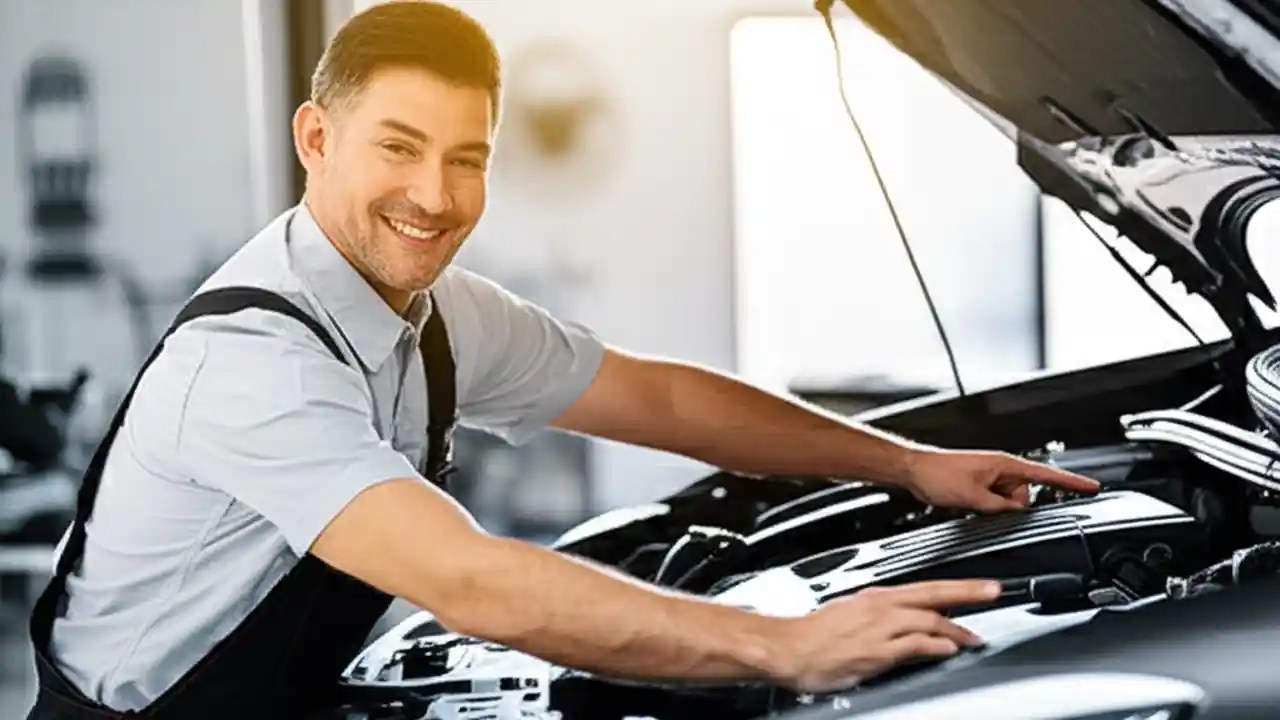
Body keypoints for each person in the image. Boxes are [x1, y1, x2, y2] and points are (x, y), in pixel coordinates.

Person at [25, 2, 1100, 718]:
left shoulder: (433, 314)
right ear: (316, 138)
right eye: (396, 147)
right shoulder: (253, 362)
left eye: (465, 158)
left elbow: (661, 396)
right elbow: (468, 577)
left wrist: (906, 464)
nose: (435, 197)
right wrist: (781, 646)